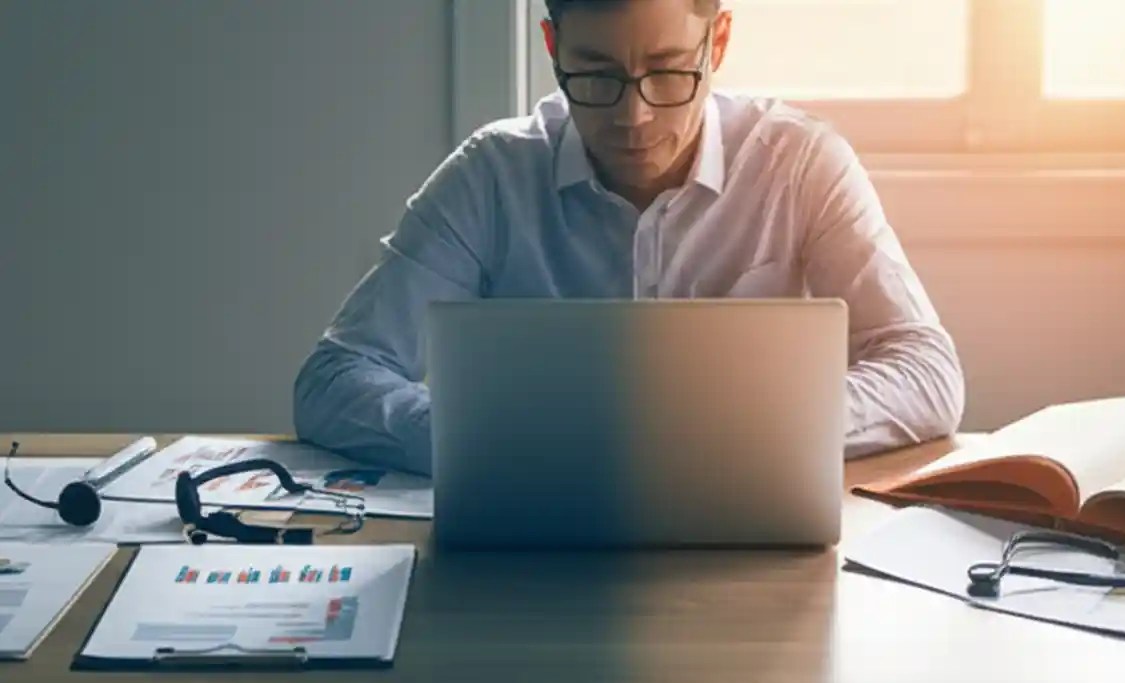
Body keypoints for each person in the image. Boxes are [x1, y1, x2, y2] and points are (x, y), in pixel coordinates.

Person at [293, 0, 965, 476]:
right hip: (536, 557)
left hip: (753, 557)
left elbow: (926, 371)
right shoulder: (491, 175)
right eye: (597, 74)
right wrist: (488, 441)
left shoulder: (799, 163)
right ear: (553, 50)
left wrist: (761, 433)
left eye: (669, 70)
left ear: (718, 44)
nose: (633, 115)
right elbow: (332, 381)